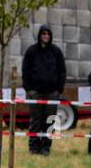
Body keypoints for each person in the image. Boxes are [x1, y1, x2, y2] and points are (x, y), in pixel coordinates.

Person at [22, 24, 67, 155]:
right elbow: (25, 71)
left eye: (48, 34)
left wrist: (59, 89)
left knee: (51, 120)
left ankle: (46, 148)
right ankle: (34, 148)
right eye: (43, 34)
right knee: (35, 121)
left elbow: (62, 71)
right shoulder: (31, 51)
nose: (46, 36)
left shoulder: (56, 52)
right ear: (39, 35)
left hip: (52, 93)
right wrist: (29, 89)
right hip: (35, 92)